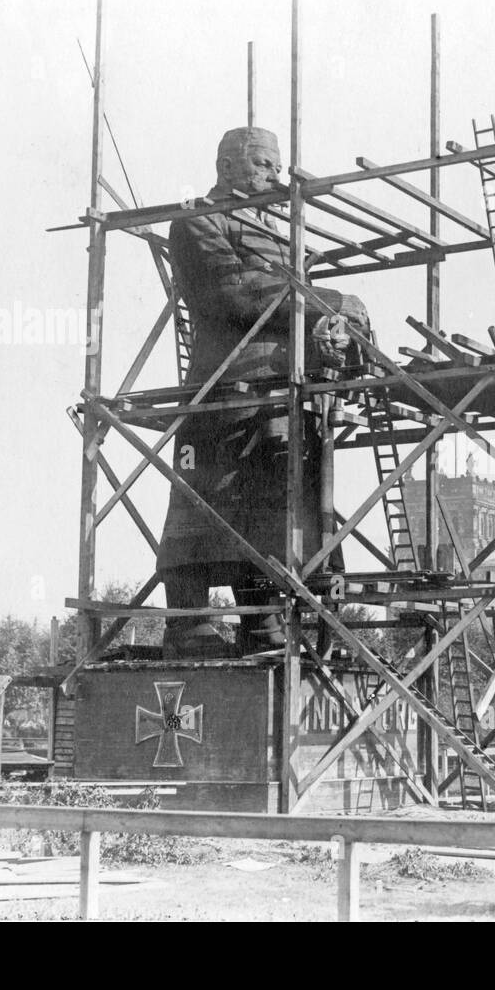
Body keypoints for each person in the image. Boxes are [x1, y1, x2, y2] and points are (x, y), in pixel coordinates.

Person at [158, 126, 367, 658]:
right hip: (227, 386)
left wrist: (340, 325)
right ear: (227, 166)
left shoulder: (282, 237)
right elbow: (233, 295)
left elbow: (291, 302)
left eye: (276, 166)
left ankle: (261, 620)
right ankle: (187, 622)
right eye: (262, 164)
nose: (274, 175)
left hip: (286, 392)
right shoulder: (199, 219)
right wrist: (328, 301)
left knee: (273, 511)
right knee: (208, 503)